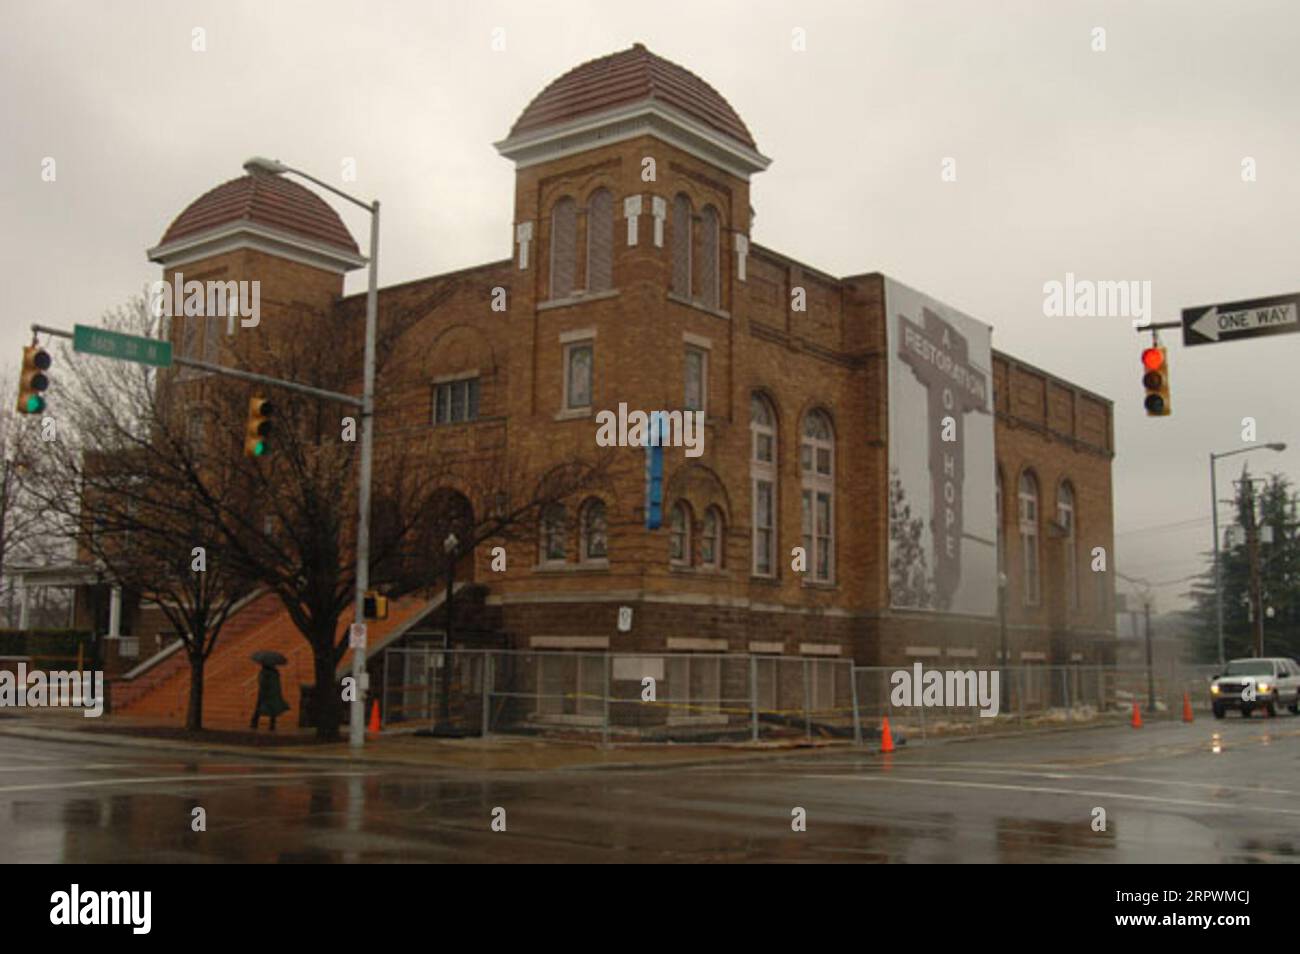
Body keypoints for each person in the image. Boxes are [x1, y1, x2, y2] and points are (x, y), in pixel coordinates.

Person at [250, 663, 290, 731]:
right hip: (273, 692)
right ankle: (272, 724)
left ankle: (255, 721)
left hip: (264, 692)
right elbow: (277, 683)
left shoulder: (264, 672)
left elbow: (261, 681)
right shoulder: (275, 673)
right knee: (272, 708)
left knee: (259, 706)